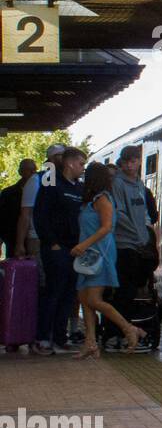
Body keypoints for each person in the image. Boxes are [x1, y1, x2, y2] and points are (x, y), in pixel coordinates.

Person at [71, 162, 144, 358]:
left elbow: (106, 228)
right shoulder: (91, 200)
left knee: (94, 299)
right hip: (87, 255)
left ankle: (128, 329)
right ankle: (90, 342)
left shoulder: (103, 199)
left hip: (99, 253)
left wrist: (83, 245)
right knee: (84, 299)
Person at [31, 146, 84, 354]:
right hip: (56, 248)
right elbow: (40, 214)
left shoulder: (79, 189)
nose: (82, 168)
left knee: (69, 294)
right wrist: (51, 242)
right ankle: (43, 338)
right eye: (80, 164)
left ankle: (60, 338)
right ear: (69, 163)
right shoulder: (51, 183)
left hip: (74, 249)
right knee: (53, 291)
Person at [105, 146, 156, 348]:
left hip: (137, 245)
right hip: (123, 244)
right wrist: (138, 233)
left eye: (133, 161)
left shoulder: (139, 185)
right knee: (122, 293)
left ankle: (121, 334)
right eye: (126, 161)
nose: (129, 165)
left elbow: (143, 213)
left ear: (139, 161)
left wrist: (144, 235)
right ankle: (114, 334)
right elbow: (118, 213)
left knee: (129, 293)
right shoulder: (118, 183)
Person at [15, 143, 64, 264]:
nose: (66, 158)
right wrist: (20, 244)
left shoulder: (68, 181)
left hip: (62, 238)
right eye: (62, 155)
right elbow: (25, 214)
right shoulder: (36, 180)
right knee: (42, 278)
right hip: (38, 238)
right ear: (52, 158)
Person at [1, 158, 36, 259]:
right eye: (28, 170)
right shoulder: (8, 193)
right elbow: (2, 217)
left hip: (34, 237)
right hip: (13, 237)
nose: (32, 173)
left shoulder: (41, 191)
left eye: (34, 170)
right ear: (20, 172)